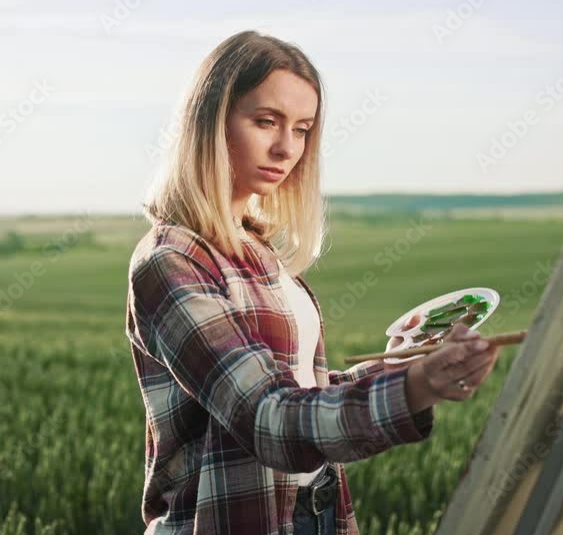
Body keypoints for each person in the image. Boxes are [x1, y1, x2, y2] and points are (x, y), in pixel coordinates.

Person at [125, 30, 501, 535]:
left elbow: (301, 393)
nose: (287, 148)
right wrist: (414, 389)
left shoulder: (258, 251)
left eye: (302, 129)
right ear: (210, 121)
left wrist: (399, 366)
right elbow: (267, 419)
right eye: (266, 122)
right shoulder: (172, 262)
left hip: (319, 511)